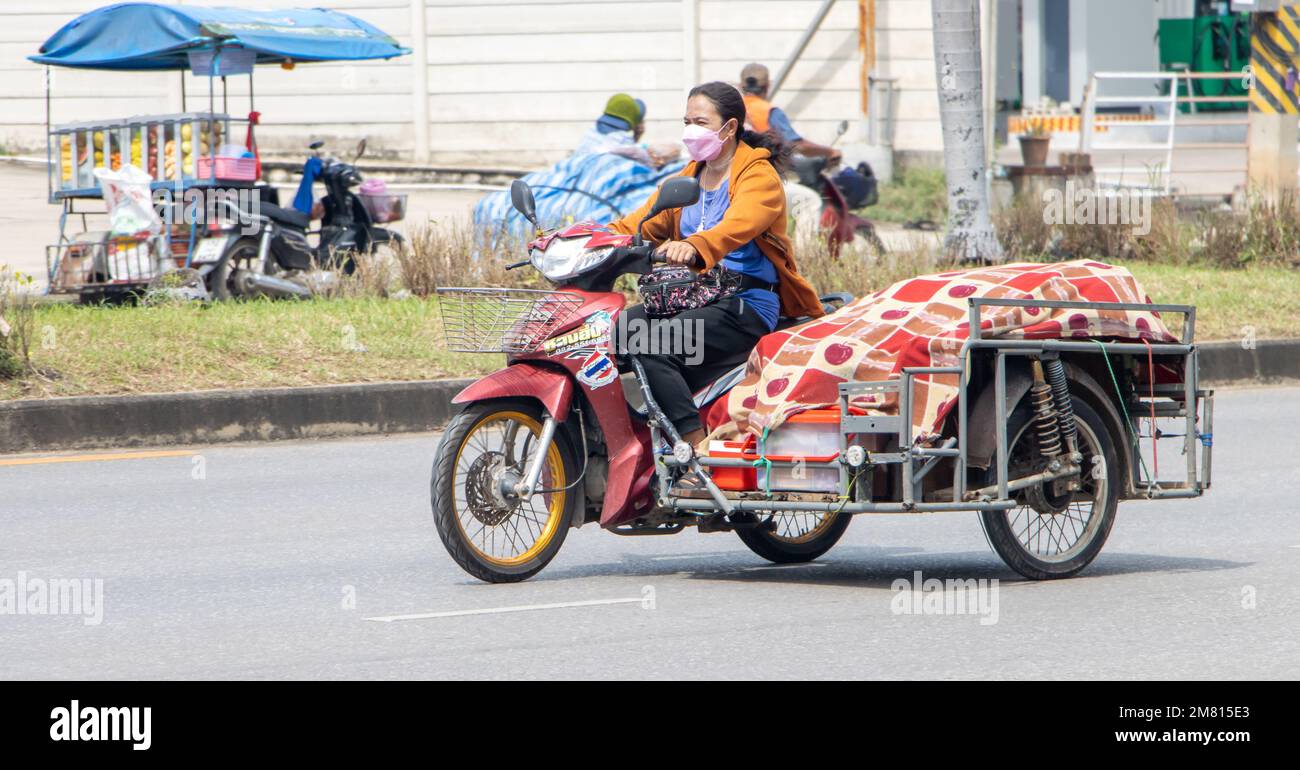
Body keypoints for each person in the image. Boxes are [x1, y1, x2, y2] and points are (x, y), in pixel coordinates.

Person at [608, 81, 824, 455]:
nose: (691, 130)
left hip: (746, 304)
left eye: (701, 122)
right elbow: (639, 223)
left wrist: (695, 246)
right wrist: (588, 238)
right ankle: (632, 440)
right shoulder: (688, 178)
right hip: (693, 299)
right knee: (610, 333)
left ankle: (695, 453)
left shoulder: (758, 177)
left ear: (730, 128)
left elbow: (737, 225)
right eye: (687, 120)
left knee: (652, 344)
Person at [739, 63, 841, 164]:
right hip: (765, 167)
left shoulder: (737, 107)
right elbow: (798, 145)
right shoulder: (770, 111)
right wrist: (830, 152)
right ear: (768, 85)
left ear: (741, 86)